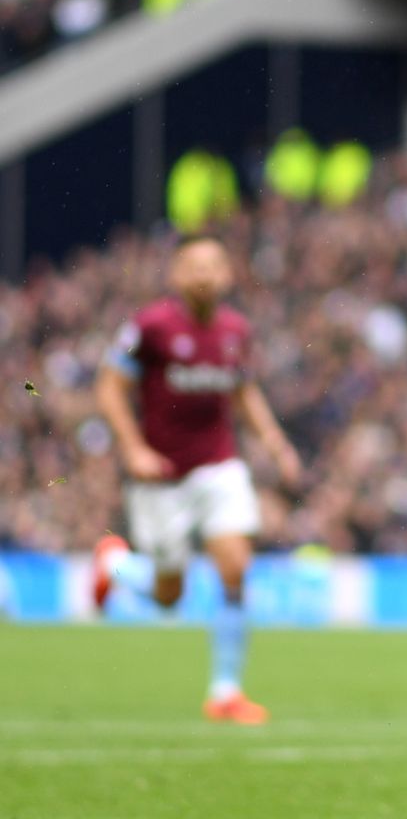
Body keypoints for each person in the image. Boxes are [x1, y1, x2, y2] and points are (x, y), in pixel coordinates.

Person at [90, 234, 303, 725]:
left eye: (214, 264)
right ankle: (114, 565)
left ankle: (226, 692)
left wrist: (275, 442)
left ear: (228, 274)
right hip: (160, 475)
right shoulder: (150, 327)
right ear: (176, 275)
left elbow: (244, 391)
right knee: (170, 596)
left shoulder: (235, 330)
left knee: (234, 568)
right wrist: (134, 448)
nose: (205, 274)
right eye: (194, 265)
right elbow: (109, 388)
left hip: (218, 465)